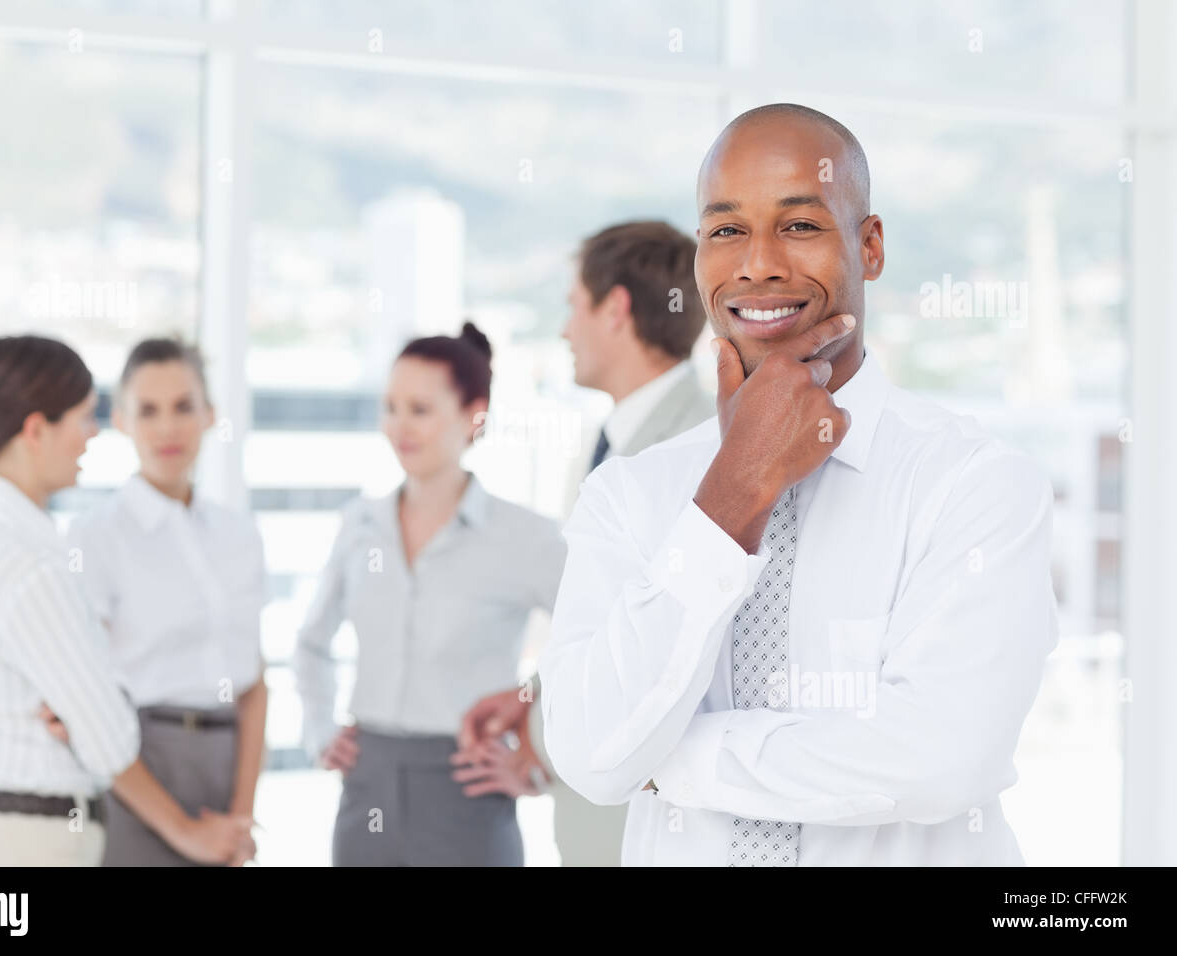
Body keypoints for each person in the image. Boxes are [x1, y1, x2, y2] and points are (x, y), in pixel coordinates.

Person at [539, 103, 1059, 866]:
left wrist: (664, 759)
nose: (759, 265)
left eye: (800, 226)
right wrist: (731, 496)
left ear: (870, 245)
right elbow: (588, 753)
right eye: (726, 231)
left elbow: (944, 760)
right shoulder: (628, 495)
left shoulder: (975, 485)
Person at [0, 334, 249, 866]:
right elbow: (109, 740)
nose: (92, 434)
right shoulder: (31, 564)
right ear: (36, 430)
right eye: (82, 418)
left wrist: (92, 694)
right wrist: (103, 700)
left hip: (3, 830)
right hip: (32, 839)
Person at [457, 221, 713, 866]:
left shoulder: (698, 452)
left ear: (616, 309)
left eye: (574, 306)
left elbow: (661, 650)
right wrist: (535, 702)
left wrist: (546, 739)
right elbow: (610, 625)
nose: (566, 330)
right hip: (600, 814)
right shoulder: (619, 439)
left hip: (644, 827)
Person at [294, 322, 566, 866]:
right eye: (391, 407)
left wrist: (538, 759)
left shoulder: (525, 537)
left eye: (420, 409)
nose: (400, 427)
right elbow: (311, 644)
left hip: (467, 790)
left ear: (475, 415)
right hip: (365, 787)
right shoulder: (359, 525)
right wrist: (320, 730)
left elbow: (599, 645)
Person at [66, 338, 266, 866]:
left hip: (226, 765)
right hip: (137, 770)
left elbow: (253, 684)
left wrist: (240, 819)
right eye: (147, 411)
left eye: (183, 407)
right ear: (122, 421)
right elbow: (84, 701)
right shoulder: (97, 537)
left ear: (210, 415)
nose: (167, 428)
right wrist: (181, 831)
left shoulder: (238, 534)